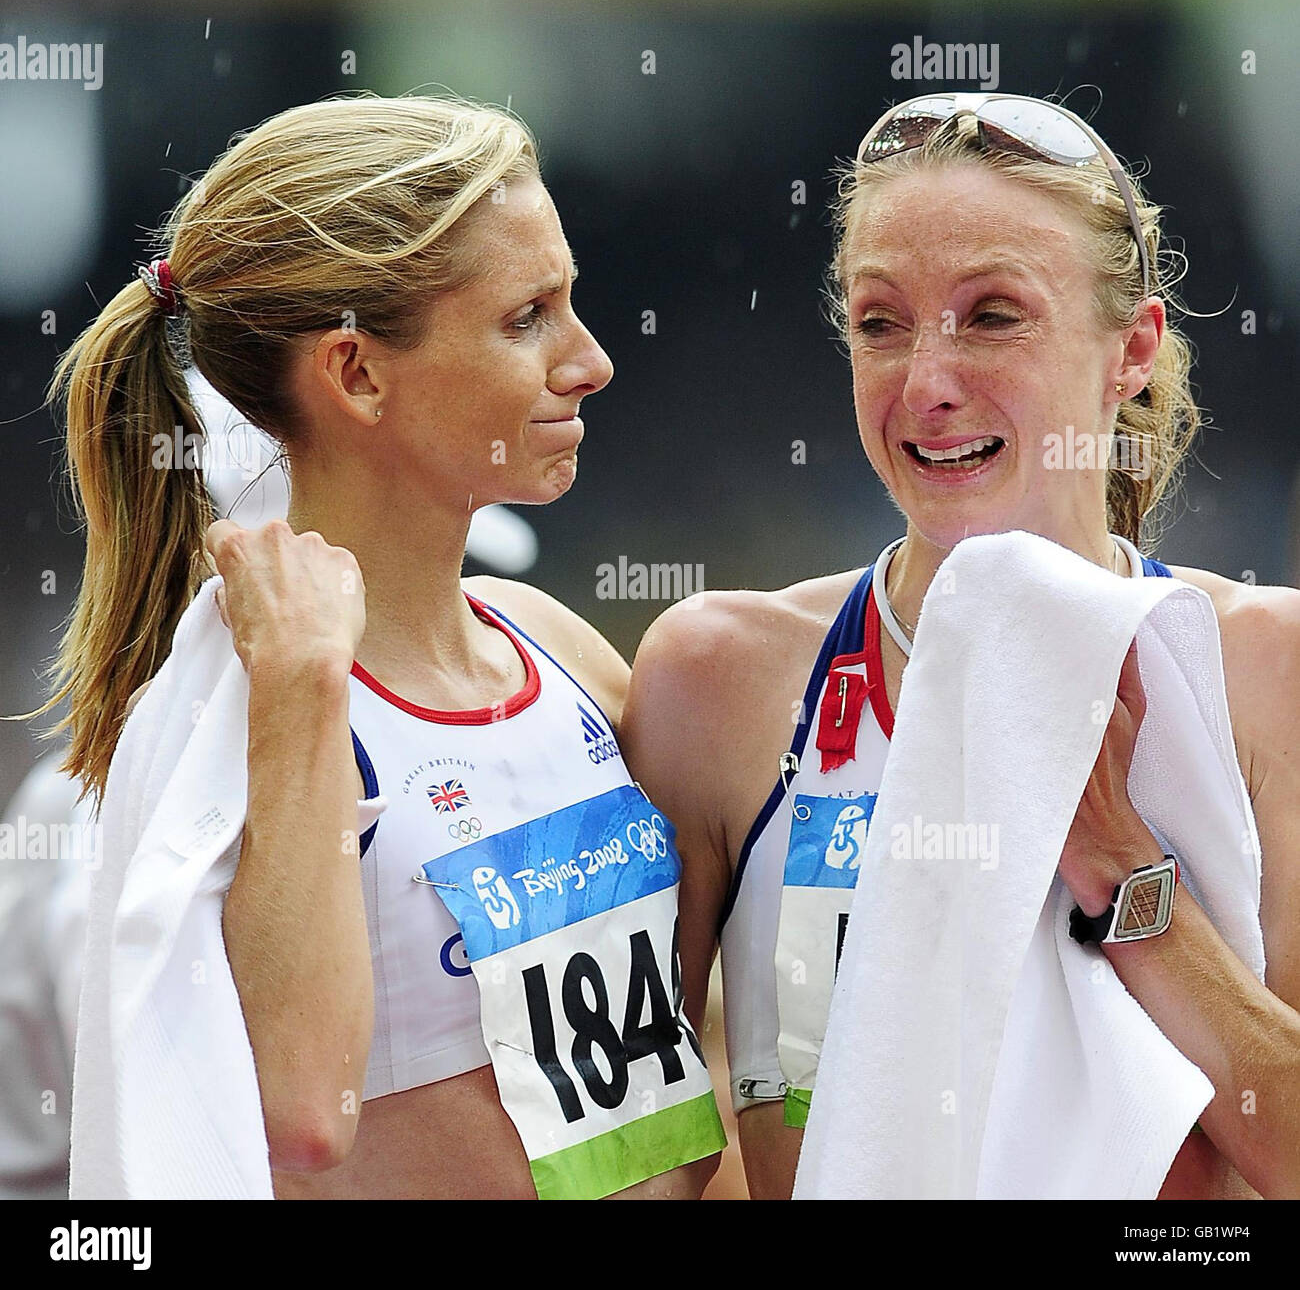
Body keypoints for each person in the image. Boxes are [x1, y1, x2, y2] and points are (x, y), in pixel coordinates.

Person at [43, 93, 724, 1199]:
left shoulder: (552, 647)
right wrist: (307, 686)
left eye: (572, 303)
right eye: (527, 317)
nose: (590, 359)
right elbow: (302, 1116)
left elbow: (705, 1055)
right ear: (356, 372)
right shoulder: (252, 701)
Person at [622, 93, 1300, 1200]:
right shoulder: (719, 677)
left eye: (991, 315)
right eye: (880, 321)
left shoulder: (1267, 668)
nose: (926, 383)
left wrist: (1128, 879)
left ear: (1129, 349)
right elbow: (645, 1157)